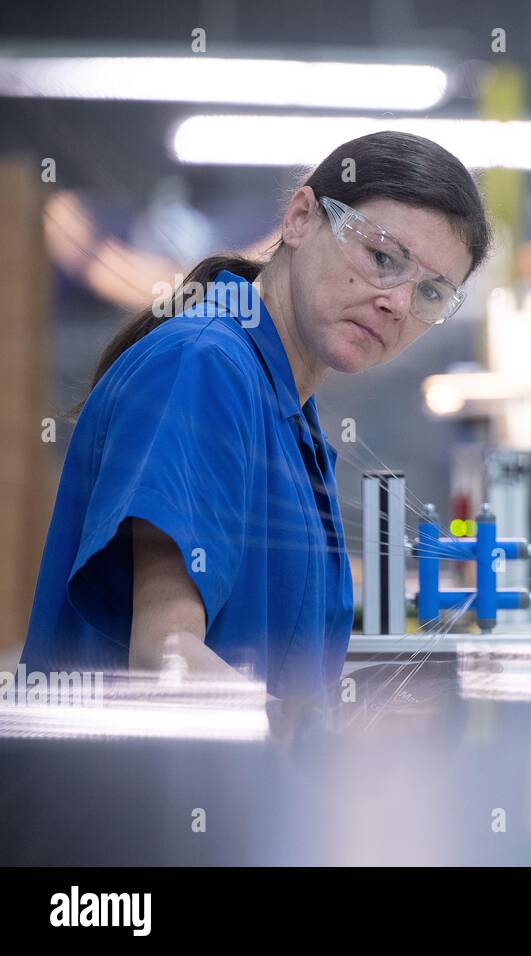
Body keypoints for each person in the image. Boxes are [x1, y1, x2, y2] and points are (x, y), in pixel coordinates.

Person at [22, 130, 491, 704]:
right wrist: (289, 751)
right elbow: (164, 652)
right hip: (149, 790)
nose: (396, 302)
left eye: (431, 294)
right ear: (299, 218)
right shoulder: (203, 366)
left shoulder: (284, 407)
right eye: (381, 258)